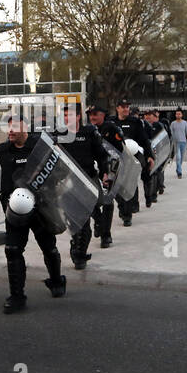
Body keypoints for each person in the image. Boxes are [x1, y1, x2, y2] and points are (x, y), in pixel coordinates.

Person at [0, 116, 66, 312]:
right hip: (14, 209)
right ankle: (17, 296)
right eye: (8, 128)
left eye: (15, 127)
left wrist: (53, 190)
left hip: (41, 208)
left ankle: (57, 281)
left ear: (25, 128)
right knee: (12, 250)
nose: (10, 131)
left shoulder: (41, 147)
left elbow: (60, 171)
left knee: (48, 247)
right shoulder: (2, 150)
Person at [56, 104, 111, 270]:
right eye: (64, 116)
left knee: (84, 223)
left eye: (70, 115)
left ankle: (80, 254)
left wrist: (105, 173)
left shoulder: (89, 133)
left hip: (87, 182)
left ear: (79, 116)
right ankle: (76, 245)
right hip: (67, 186)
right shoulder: (59, 135)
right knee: (74, 222)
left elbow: (101, 155)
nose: (67, 119)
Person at [87, 106, 124, 248]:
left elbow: (120, 151)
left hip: (110, 169)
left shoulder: (111, 128)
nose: (92, 117)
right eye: (90, 115)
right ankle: (98, 221)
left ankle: (106, 235)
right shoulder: (88, 130)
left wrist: (109, 173)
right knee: (91, 200)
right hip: (92, 170)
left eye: (95, 114)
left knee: (108, 201)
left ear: (103, 115)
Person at [112, 99, 152, 226]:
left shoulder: (135, 122)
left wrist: (149, 155)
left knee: (130, 185)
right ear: (117, 108)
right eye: (123, 107)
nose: (125, 109)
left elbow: (144, 140)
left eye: (127, 107)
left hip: (132, 159)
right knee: (117, 187)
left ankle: (127, 215)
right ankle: (123, 208)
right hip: (116, 159)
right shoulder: (111, 122)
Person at [170, 108, 187, 178]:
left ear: (182, 115)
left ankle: (178, 169)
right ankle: (179, 172)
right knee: (178, 157)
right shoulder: (173, 123)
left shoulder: (185, 123)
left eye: (179, 114)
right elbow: (171, 134)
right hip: (176, 143)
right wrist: (171, 143)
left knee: (181, 158)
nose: (178, 115)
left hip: (183, 142)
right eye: (177, 114)